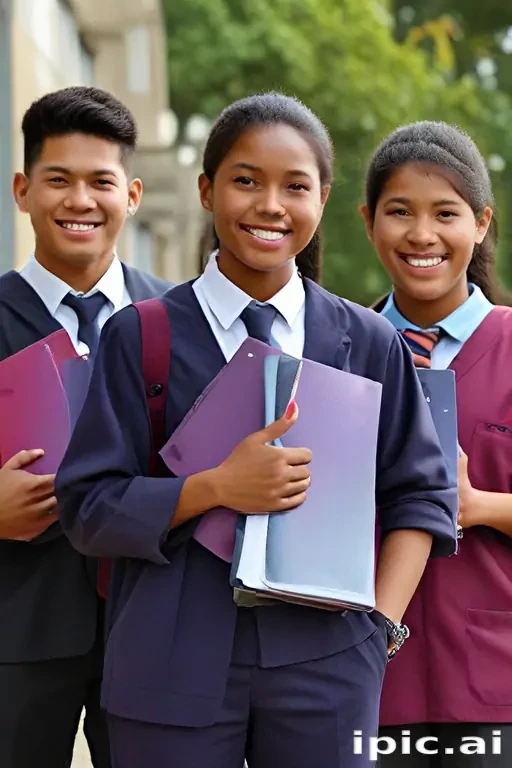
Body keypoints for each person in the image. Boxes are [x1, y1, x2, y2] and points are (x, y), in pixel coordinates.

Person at [55, 93, 457, 768]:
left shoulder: (367, 340)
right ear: (208, 191)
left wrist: (376, 630)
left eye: (295, 187)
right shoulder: (141, 335)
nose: (270, 206)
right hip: (168, 664)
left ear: (322, 200)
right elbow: (87, 508)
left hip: (326, 666)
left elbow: (421, 496)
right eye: (246, 181)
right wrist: (213, 487)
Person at [0, 86, 171, 768]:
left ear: (130, 196)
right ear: (22, 190)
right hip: (17, 634)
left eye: (100, 182)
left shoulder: (175, 317)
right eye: (58, 180)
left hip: (153, 626)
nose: (80, 201)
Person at [360, 121, 512, 766]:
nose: (422, 235)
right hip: (363, 675)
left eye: (444, 213)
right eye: (400, 212)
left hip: (490, 677)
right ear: (369, 223)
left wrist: (477, 505)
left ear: (479, 224)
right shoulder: (337, 350)